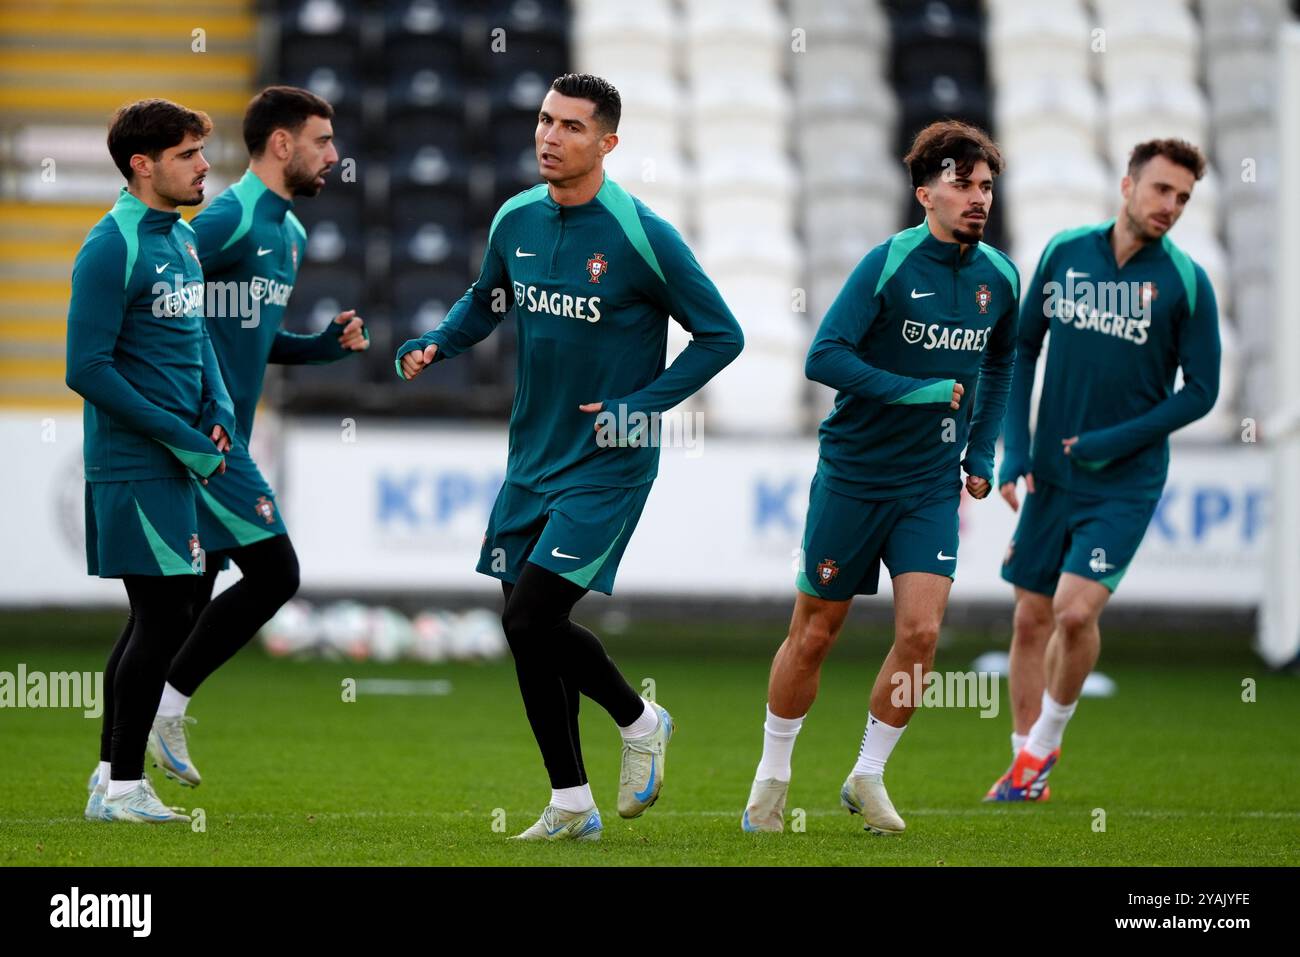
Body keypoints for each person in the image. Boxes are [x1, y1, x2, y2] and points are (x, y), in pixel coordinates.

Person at [396, 73, 744, 841]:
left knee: (531, 613)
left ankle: (641, 718)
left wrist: (642, 404)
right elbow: (488, 298)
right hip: (533, 454)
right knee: (520, 627)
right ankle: (570, 803)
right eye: (545, 121)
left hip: (611, 456)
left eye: (572, 127)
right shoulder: (516, 216)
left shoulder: (642, 234)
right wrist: (437, 343)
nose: (550, 137)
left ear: (607, 143)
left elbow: (723, 334)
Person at [742, 121, 1018, 835]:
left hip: (929, 484)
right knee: (815, 633)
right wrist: (912, 390)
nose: (977, 198)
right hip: (855, 475)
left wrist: (981, 454)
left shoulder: (1002, 277)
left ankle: (868, 773)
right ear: (925, 193)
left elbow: (999, 365)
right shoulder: (887, 264)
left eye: (986, 186)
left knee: (922, 633)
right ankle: (772, 776)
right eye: (962, 184)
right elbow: (824, 356)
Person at [142, 86, 368, 789]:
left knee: (180, 607)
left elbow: (255, 341)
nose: (334, 156)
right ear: (280, 144)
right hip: (199, 444)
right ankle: (164, 711)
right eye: (322, 141)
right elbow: (153, 301)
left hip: (224, 440)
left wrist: (326, 347)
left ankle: (119, 774)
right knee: (276, 574)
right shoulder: (228, 220)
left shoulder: (292, 235)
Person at [987, 138, 1220, 802]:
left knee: (1072, 611)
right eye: (1161, 190)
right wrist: (1017, 447)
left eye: (1183, 196)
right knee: (1030, 618)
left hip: (1124, 479)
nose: (1171, 205)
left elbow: (1200, 390)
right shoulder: (1065, 253)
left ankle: (1040, 750)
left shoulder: (1187, 282)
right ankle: (1024, 773)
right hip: (1053, 474)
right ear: (1127, 185)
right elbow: (1022, 346)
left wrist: (1111, 439)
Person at [70, 98, 232, 823]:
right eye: (189, 154)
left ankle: (113, 779)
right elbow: (88, 367)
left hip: (172, 459)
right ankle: (125, 785)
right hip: (134, 463)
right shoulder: (112, 245)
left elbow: (195, 341)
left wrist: (219, 408)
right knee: (166, 615)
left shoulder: (181, 239)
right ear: (144, 164)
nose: (204, 166)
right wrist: (181, 434)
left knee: (157, 617)